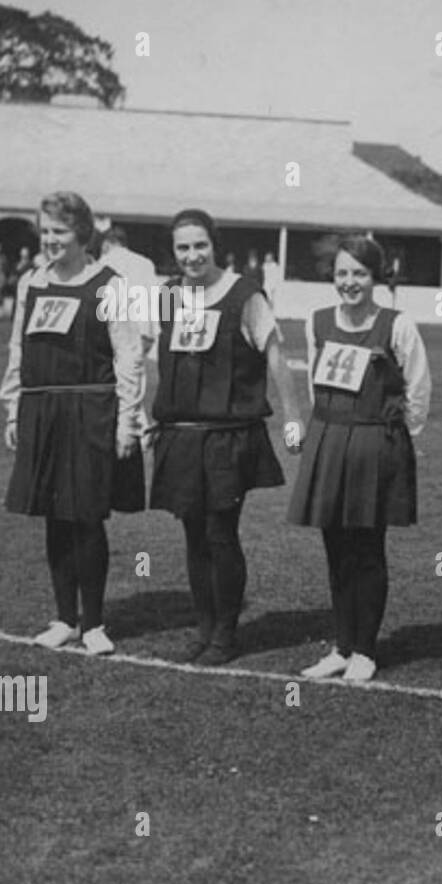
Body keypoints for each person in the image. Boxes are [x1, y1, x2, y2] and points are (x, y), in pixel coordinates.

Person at [148, 209, 303, 665]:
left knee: (220, 532)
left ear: (214, 245)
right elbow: (159, 361)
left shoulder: (243, 294)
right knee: (193, 533)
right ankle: (204, 627)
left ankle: (226, 635)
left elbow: (276, 357)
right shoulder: (167, 296)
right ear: (173, 253)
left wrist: (292, 417)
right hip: (182, 434)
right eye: (183, 248)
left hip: (228, 436)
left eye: (200, 245)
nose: (192, 256)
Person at [0, 191, 146, 654]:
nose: (50, 240)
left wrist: (128, 422)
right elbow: (18, 348)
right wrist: (12, 406)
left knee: (85, 516)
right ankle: (64, 618)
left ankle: (95, 623)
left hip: (91, 410)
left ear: (82, 233)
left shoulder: (110, 284)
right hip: (42, 409)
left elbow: (130, 355)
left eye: (59, 231)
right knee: (54, 516)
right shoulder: (31, 283)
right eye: (45, 231)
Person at [288, 235, 430, 681]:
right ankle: (342, 646)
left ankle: (366, 650)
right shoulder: (317, 321)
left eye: (360, 274)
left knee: (367, 549)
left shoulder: (398, 325)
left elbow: (418, 391)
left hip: (375, 445)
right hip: (329, 439)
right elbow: (315, 384)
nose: (350, 282)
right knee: (336, 550)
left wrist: (393, 439)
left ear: (376, 278)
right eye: (343, 273)